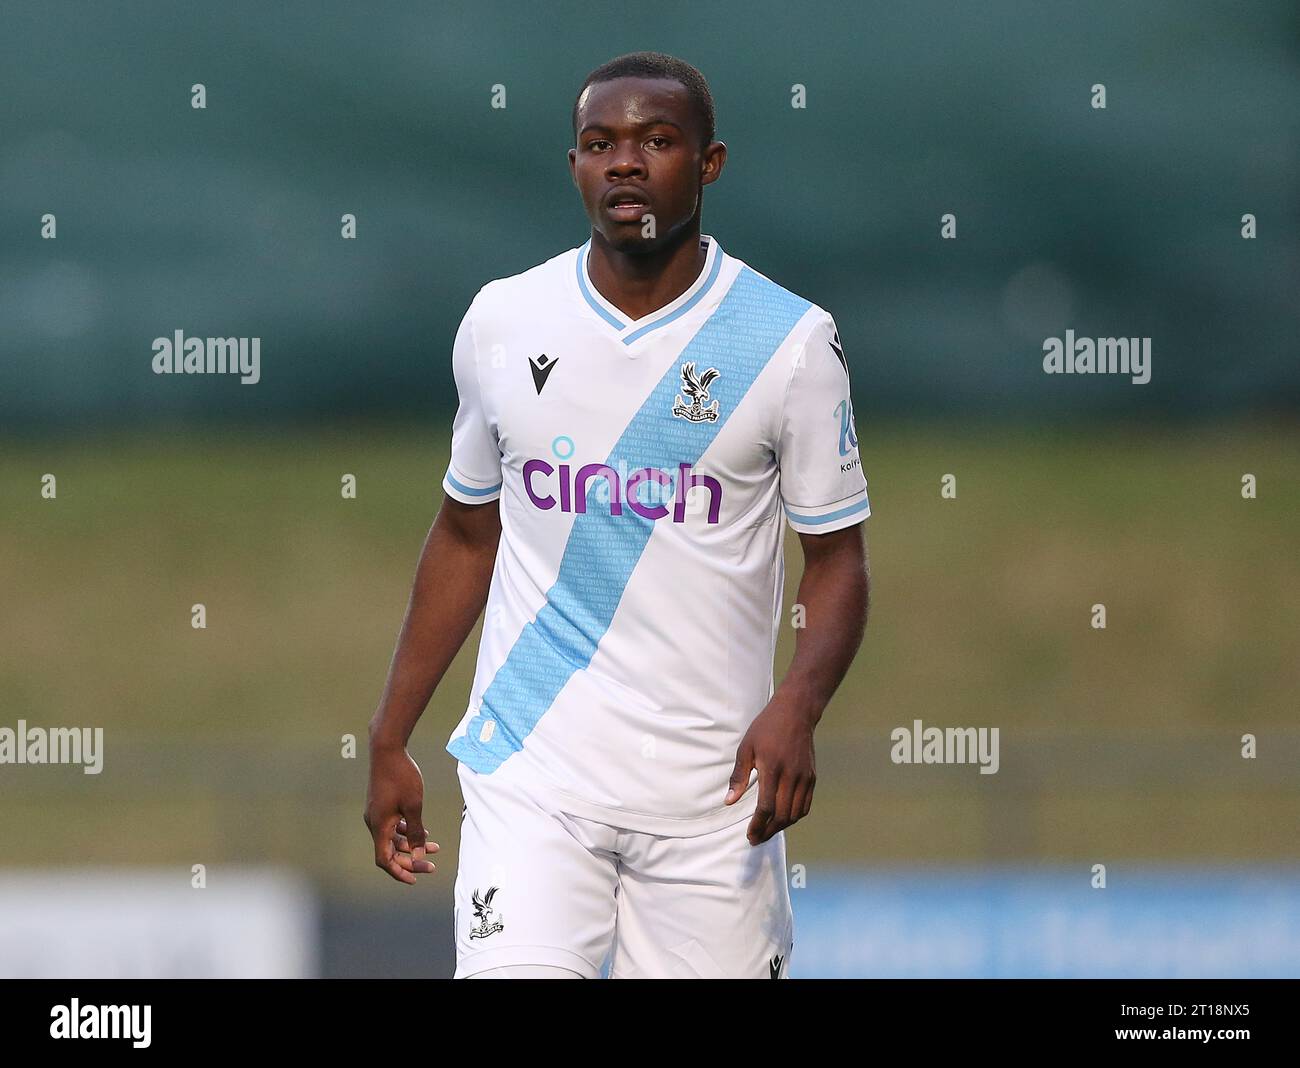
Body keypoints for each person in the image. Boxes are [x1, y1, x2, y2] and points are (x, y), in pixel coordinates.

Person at [364, 50, 871, 979]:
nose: (626, 162)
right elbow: (467, 532)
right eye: (601, 144)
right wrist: (390, 735)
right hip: (533, 778)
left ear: (708, 164)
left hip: (716, 800)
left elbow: (837, 560)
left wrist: (798, 705)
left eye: (656, 141)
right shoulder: (503, 321)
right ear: (576, 169)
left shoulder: (788, 342)